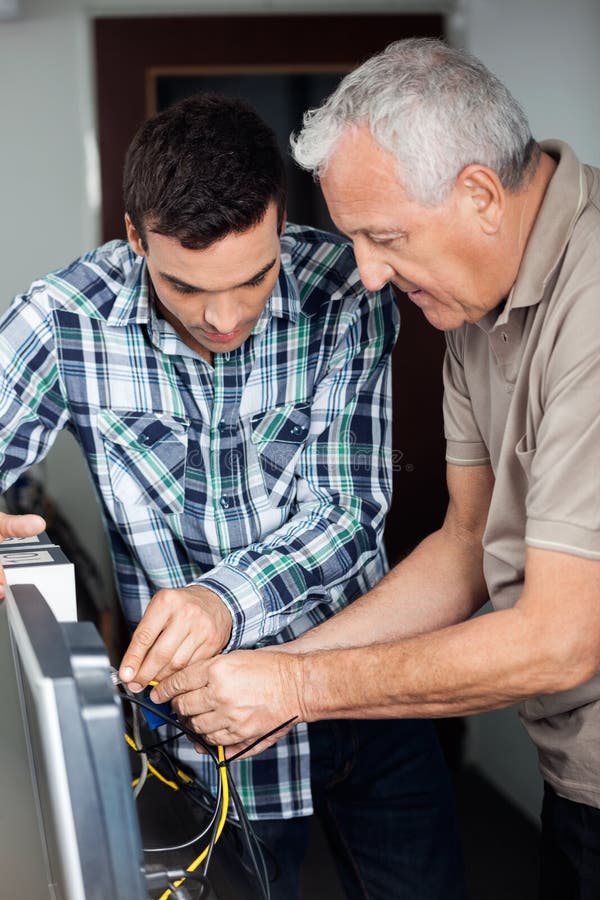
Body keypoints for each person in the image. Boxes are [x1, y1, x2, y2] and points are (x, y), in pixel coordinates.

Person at [150, 40, 600, 899]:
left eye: (383, 235)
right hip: (576, 781)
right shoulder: (474, 300)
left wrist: (297, 682)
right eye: (354, 236)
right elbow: (466, 543)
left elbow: (559, 638)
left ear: (478, 194)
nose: (366, 272)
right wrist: (282, 676)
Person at [0, 94, 467, 899]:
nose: (224, 317)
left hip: (365, 692)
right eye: (185, 288)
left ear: (281, 224)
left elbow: (346, 517)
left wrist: (221, 604)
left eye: (253, 279)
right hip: (202, 735)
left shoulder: (345, 293)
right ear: (135, 235)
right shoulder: (68, 317)